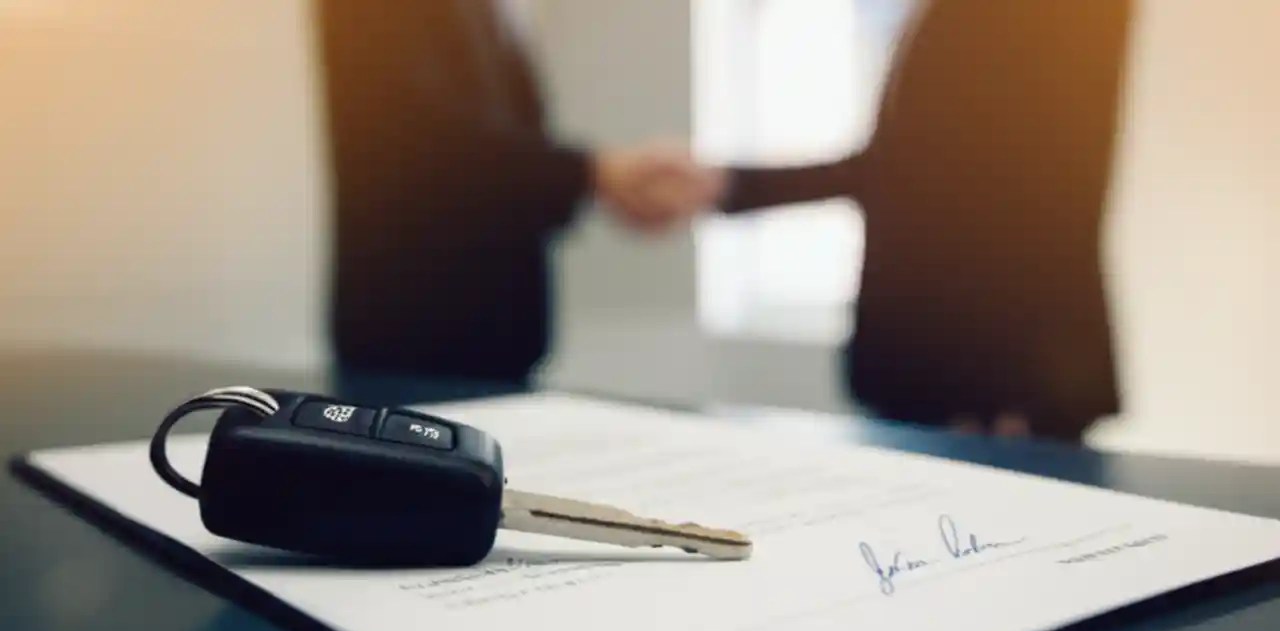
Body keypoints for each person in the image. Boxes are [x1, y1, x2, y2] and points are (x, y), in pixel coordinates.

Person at [721, 0, 1133, 442]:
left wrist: (1007, 383)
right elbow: (912, 165)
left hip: (991, 396)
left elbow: (1050, 175)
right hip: (929, 381)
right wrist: (725, 184)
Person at [316, 0, 721, 396]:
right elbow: (412, 145)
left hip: (491, 348)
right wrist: (597, 173)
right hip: (415, 342)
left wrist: (596, 179)